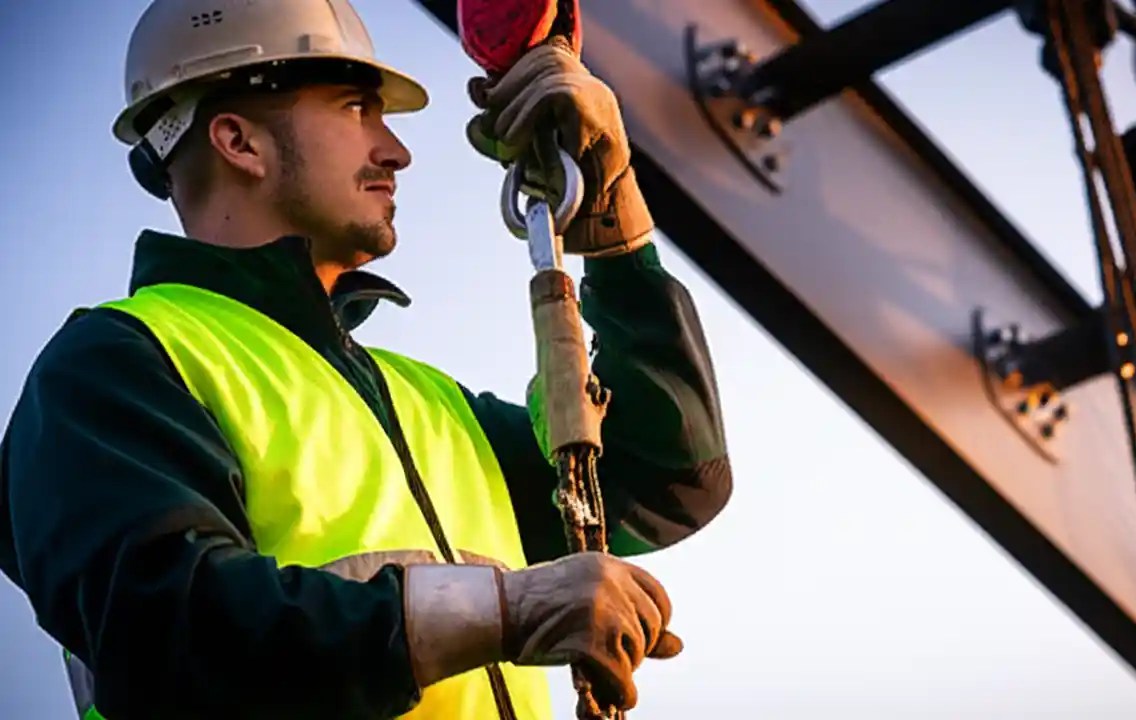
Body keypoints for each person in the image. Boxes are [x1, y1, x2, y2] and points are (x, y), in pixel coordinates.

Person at [0, 1, 732, 718]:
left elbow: (668, 480)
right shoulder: (116, 365)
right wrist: (502, 609)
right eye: (356, 108)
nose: (397, 151)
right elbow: (169, 634)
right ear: (237, 141)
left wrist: (611, 219)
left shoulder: (423, 402)